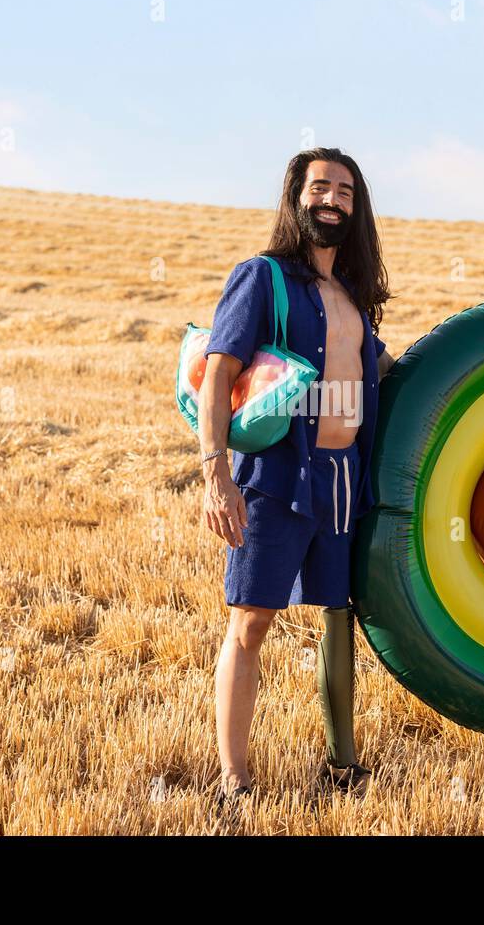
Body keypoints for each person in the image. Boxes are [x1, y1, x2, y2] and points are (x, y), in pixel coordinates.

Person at [197, 147, 396, 813]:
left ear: (356, 206)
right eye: (319, 188)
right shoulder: (261, 277)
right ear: (297, 197)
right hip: (278, 478)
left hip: (345, 479)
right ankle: (233, 778)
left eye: (344, 190)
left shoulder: (354, 297)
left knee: (340, 618)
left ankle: (343, 764)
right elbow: (220, 374)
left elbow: (381, 372)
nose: (331, 199)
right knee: (250, 622)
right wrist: (214, 475)